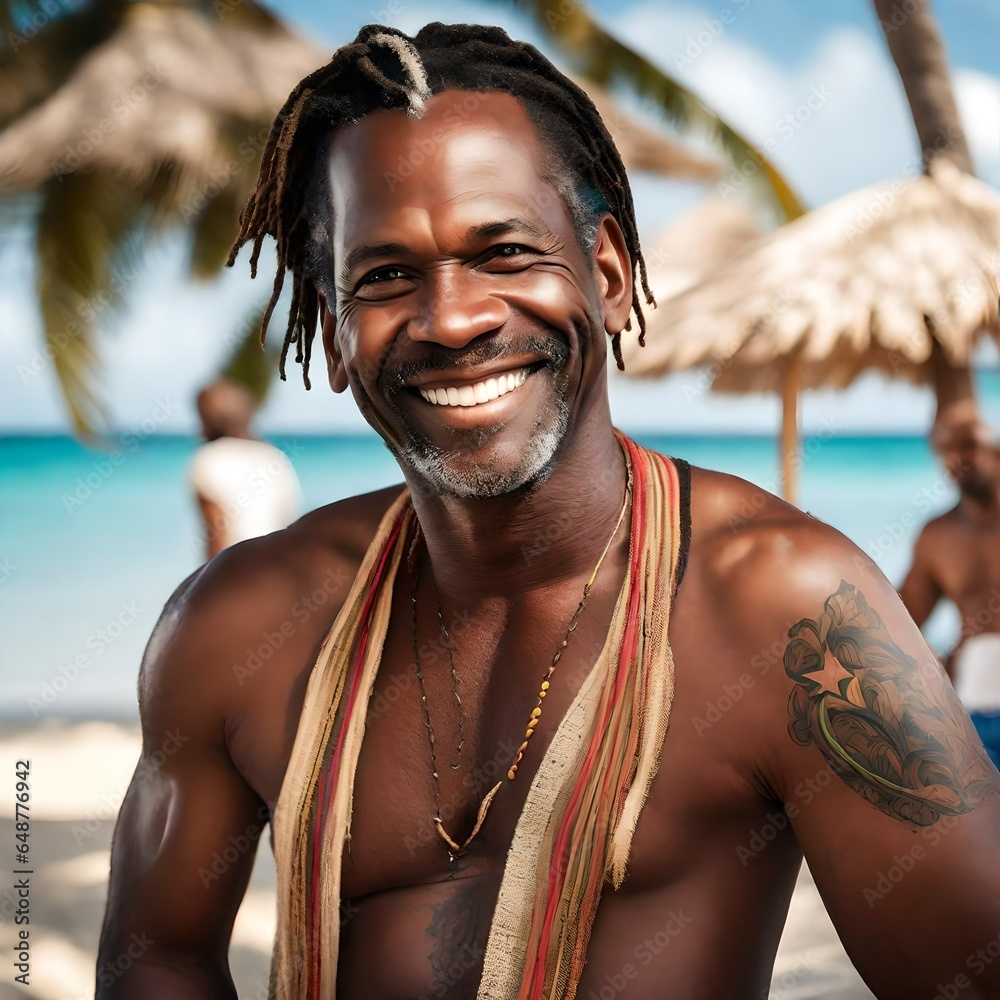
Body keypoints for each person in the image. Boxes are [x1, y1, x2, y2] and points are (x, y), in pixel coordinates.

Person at [95, 24, 1000, 999]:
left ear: (606, 274)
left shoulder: (780, 608)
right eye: (386, 275)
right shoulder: (238, 623)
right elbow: (159, 955)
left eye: (505, 253)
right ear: (328, 321)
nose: (452, 318)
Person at [900, 406, 1000, 767]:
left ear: (993, 447)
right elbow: (902, 621)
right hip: (974, 709)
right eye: (948, 449)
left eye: (969, 444)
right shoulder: (939, 536)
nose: (960, 457)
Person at [191, 376, 301, 559]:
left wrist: (209, 581)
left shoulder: (206, 459)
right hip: (277, 566)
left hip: (235, 571)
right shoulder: (273, 457)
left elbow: (217, 533)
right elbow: (289, 522)